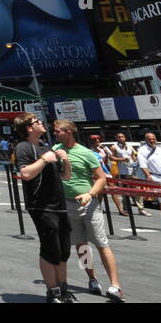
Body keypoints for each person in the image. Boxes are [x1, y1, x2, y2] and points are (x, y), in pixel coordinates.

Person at [53, 120, 125, 302]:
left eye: (57, 131)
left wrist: (90, 194)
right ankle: (92, 279)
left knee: (101, 243)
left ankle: (116, 286)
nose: (55, 134)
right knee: (81, 245)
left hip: (88, 204)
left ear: (69, 132)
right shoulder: (55, 149)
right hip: (67, 204)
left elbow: (101, 178)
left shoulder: (86, 153)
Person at [14, 114, 74, 303]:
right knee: (50, 248)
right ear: (29, 128)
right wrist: (45, 160)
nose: (42, 123)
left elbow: (65, 177)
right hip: (41, 205)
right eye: (37, 122)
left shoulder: (46, 148)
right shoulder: (23, 147)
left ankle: (64, 290)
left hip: (59, 204)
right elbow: (25, 173)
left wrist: (66, 161)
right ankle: (53, 291)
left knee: (64, 250)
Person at [107, 133, 150, 215]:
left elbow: (133, 157)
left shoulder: (129, 146)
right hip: (123, 172)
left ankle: (141, 209)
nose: (121, 138)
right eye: (119, 137)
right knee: (125, 192)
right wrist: (121, 159)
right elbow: (111, 157)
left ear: (125, 137)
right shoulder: (114, 147)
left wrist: (136, 163)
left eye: (122, 136)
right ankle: (126, 209)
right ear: (116, 138)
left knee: (137, 190)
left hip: (133, 171)